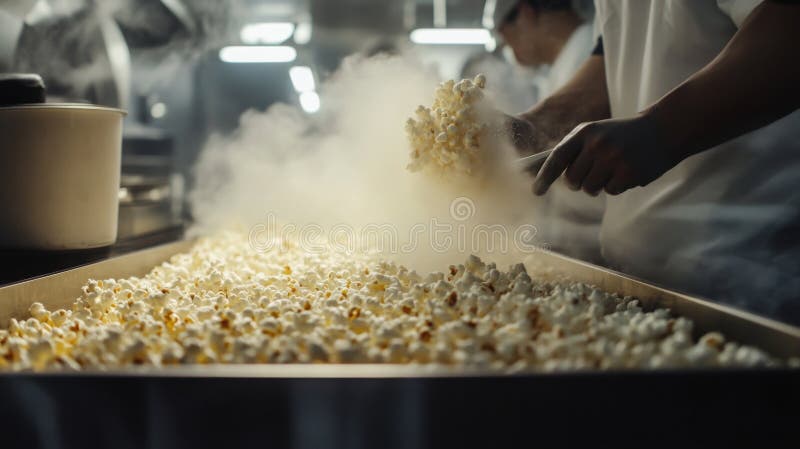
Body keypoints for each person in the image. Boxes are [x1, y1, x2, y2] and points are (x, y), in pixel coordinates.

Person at [512, 0, 800, 321]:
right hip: (643, 285)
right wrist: (531, 129)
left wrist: (660, 129)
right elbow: (615, 61)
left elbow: (788, 26)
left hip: (747, 278)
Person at [487, 0, 605, 262]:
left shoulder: (585, 50)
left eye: (507, 42)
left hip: (595, 232)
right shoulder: (561, 66)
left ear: (526, 14)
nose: (512, 54)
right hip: (580, 235)